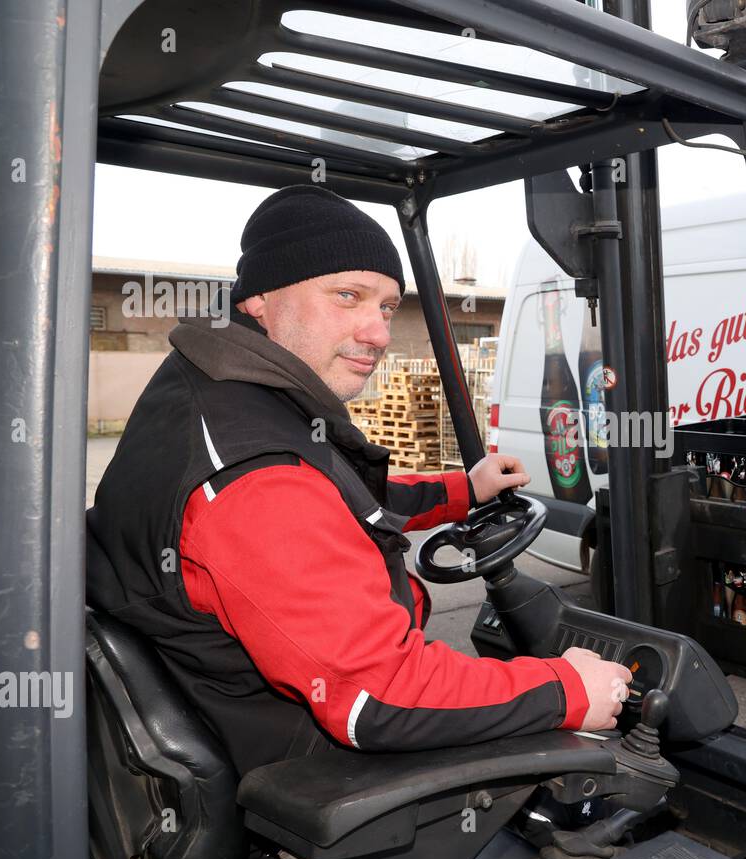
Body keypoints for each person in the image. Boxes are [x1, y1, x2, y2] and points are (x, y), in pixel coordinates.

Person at [86, 185, 631, 777]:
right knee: (596, 772)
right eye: (347, 296)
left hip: (239, 715)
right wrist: (568, 689)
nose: (377, 334)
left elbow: (336, 498)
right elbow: (382, 700)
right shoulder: (258, 479)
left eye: (387, 307)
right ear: (261, 300)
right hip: (307, 767)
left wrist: (460, 491)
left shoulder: (215, 391)